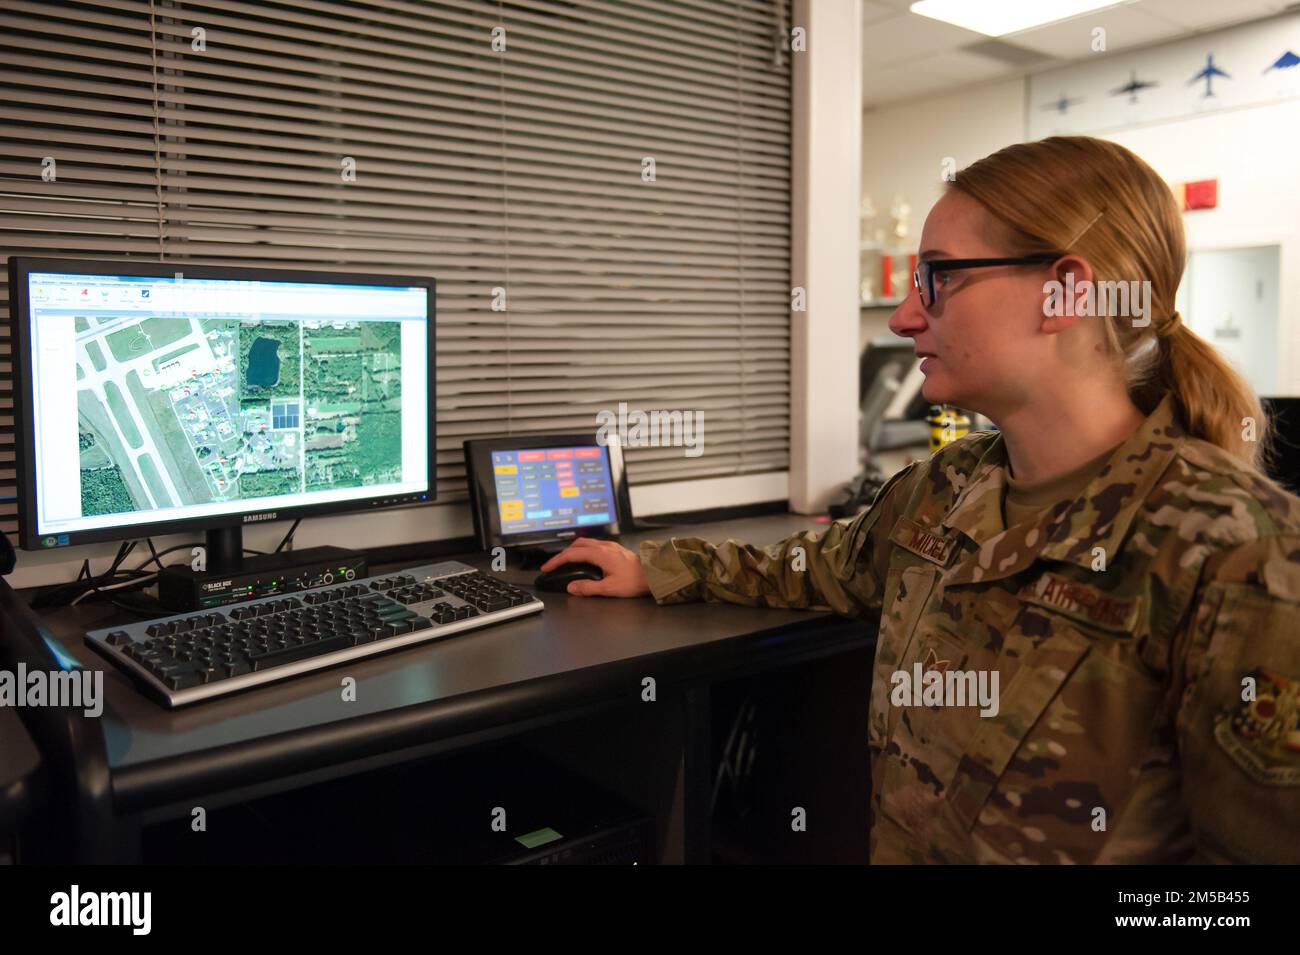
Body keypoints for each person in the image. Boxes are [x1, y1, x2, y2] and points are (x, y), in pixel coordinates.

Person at [538, 136, 1300, 864]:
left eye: (939, 277)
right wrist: (660, 567)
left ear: (1066, 290)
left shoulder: (1236, 550)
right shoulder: (946, 487)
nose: (905, 316)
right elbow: (820, 567)